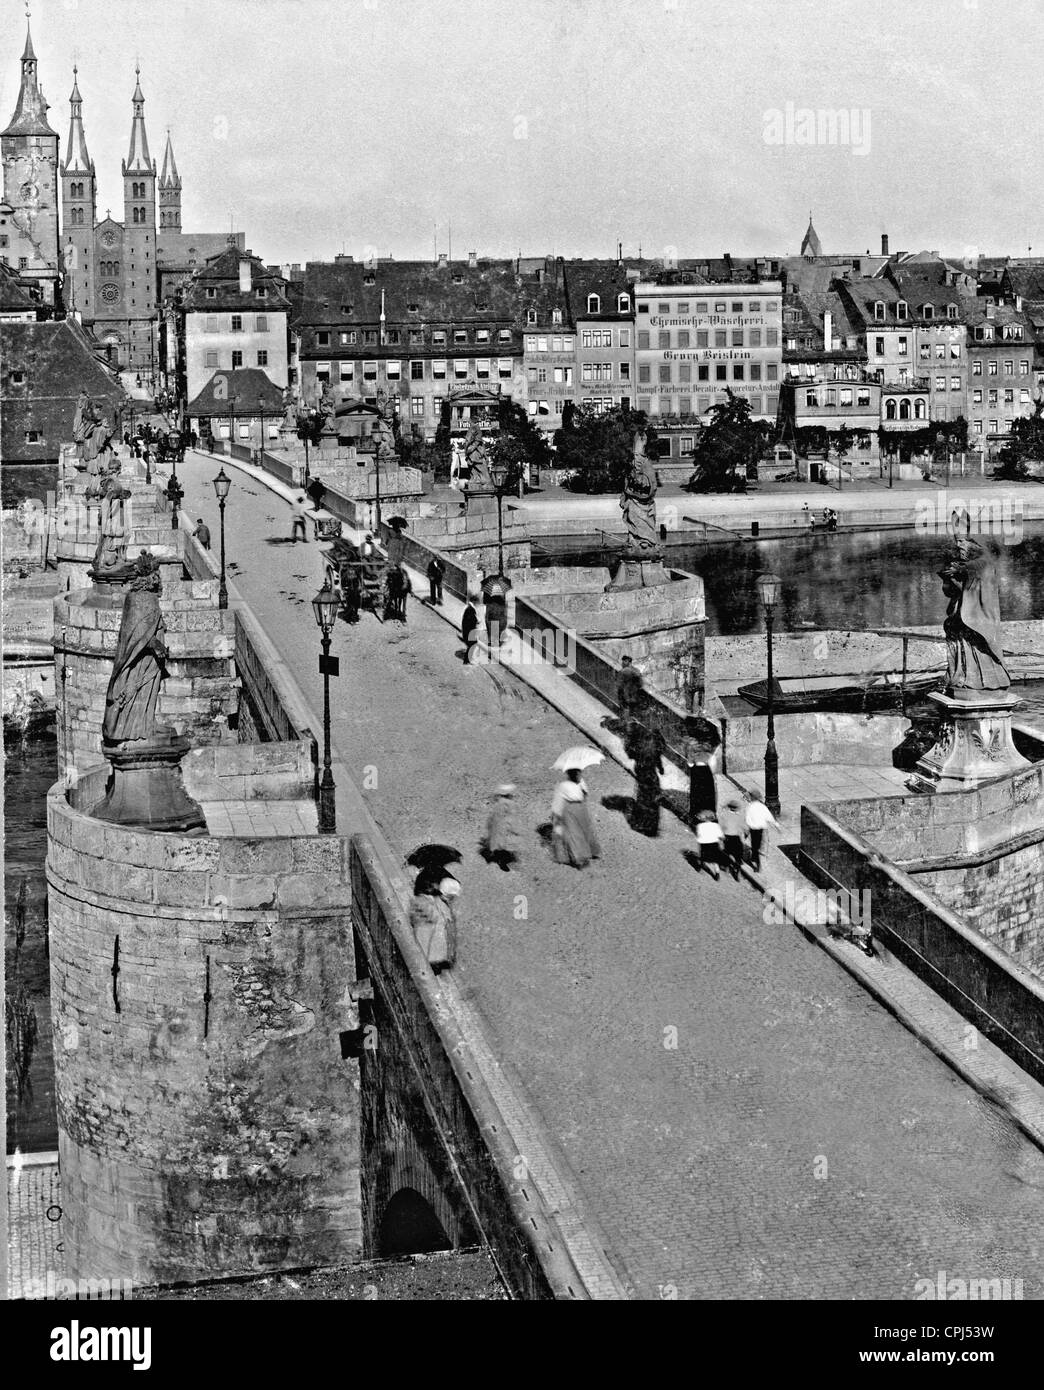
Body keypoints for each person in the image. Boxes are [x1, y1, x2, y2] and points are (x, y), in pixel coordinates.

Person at [624, 712, 666, 837]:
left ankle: (643, 824)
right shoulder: (654, 739)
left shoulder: (639, 740)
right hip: (651, 774)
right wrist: (660, 767)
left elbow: (631, 754)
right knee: (651, 799)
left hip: (643, 772)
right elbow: (658, 753)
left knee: (643, 798)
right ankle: (650, 826)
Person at [551, 767, 601, 868]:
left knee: (586, 830)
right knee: (575, 833)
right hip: (570, 809)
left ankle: (591, 851)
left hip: (581, 808)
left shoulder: (581, 782)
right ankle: (580, 857)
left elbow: (586, 794)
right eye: (576, 774)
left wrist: (582, 788)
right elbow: (558, 800)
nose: (578, 775)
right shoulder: (563, 785)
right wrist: (556, 814)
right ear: (570, 774)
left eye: (579, 773)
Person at [409, 873, 458, 973]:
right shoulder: (442, 909)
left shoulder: (430, 901)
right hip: (433, 954)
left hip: (428, 951)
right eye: (452, 897)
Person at [484, 785, 520, 871]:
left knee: (499, 844)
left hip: (497, 828)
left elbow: (491, 818)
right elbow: (510, 818)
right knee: (503, 845)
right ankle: (502, 861)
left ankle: (500, 857)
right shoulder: (508, 804)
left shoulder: (498, 803)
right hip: (503, 828)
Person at [744, 796, 777, 873]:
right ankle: (755, 857)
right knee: (758, 844)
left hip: (754, 829)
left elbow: (747, 818)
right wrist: (776, 824)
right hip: (761, 828)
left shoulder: (750, 807)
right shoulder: (762, 806)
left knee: (755, 846)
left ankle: (758, 866)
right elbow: (769, 816)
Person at [719, 798, 747, 880]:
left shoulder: (724, 815)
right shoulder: (740, 817)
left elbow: (721, 827)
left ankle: (727, 869)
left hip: (727, 838)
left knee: (727, 853)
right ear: (736, 808)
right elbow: (745, 829)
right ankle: (737, 872)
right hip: (736, 838)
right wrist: (744, 837)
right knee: (738, 856)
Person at [694, 810, 725, 879]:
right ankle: (717, 873)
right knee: (715, 860)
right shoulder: (716, 825)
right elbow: (721, 836)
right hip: (713, 844)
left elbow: (698, 835)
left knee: (703, 856)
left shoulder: (699, 826)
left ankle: (700, 867)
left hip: (704, 844)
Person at [616, 655, 644, 720]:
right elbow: (641, 684)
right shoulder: (637, 671)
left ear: (628, 662)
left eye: (624, 662)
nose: (622, 663)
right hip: (635, 696)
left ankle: (624, 722)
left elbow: (619, 685)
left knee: (625, 710)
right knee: (632, 713)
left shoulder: (622, 671)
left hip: (625, 695)